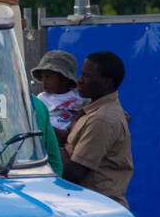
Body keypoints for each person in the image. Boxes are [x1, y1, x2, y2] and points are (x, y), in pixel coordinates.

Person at [61, 52, 133, 207]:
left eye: (87, 76)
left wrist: (45, 149)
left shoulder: (102, 119)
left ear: (107, 82)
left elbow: (74, 173)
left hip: (98, 209)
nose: (79, 81)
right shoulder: (94, 111)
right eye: (81, 74)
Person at [31, 50, 85, 147]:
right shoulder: (42, 99)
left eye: (48, 77)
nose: (44, 81)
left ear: (64, 79)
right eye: (42, 77)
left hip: (75, 141)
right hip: (52, 141)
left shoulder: (80, 96)